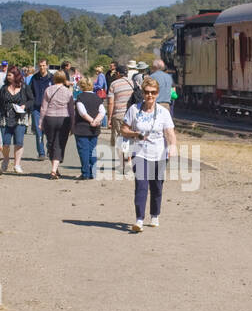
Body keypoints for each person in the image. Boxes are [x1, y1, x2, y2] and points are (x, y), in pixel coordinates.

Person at [120, 77, 177, 231]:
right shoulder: (134, 109)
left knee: (157, 186)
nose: (149, 95)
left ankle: (155, 215)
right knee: (141, 185)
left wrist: (172, 146)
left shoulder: (164, 112)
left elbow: (169, 132)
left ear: (157, 93)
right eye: (146, 92)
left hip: (159, 154)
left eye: (153, 92)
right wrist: (134, 134)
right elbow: (123, 129)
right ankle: (139, 219)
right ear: (143, 93)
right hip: (139, 153)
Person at [0, 65, 34, 173]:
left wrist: (24, 106)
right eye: (7, 75)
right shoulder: (3, 88)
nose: (8, 77)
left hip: (20, 119)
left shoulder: (24, 87)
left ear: (16, 75)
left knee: (19, 142)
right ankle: (6, 160)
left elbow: (31, 100)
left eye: (10, 75)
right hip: (5, 118)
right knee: (5, 143)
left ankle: (17, 164)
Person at [41, 69, 75, 179]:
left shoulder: (48, 90)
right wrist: (72, 124)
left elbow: (43, 108)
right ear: (65, 79)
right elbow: (71, 110)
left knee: (51, 143)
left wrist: (40, 122)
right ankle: (54, 170)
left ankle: (54, 169)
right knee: (59, 144)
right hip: (63, 119)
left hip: (49, 118)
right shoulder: (68, 92)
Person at [72, 77, 106, 180]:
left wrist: (91, 121)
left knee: (84, 151)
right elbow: (102, 111)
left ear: (81, 87)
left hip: (82, 129)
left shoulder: (80, 98)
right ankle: (93, 172)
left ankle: (85, 173)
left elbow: (82, 113)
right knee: (92, 151)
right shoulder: (97, 98)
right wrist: (96, 121)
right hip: (94, 130)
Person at [107, 64, 136, 175]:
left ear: (118, 73)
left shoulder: (114, 84)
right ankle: (129, 161)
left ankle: (123, 164)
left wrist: (109, 118)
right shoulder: (134, 83)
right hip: (132, 115)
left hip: (119, 115)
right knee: (131, 138)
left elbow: (110, 102)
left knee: (120, 139)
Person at [29, 59, 53, 160]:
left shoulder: (52, 78)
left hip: (50, 109)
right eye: (40, 66)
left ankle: (49, 149)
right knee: (39, 132)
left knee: (49, 132)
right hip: (37, 108)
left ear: (47, 66)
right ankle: (41, 153)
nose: (42, 68)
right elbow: (29, 92)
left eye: (44, 65)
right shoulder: (34, 78)